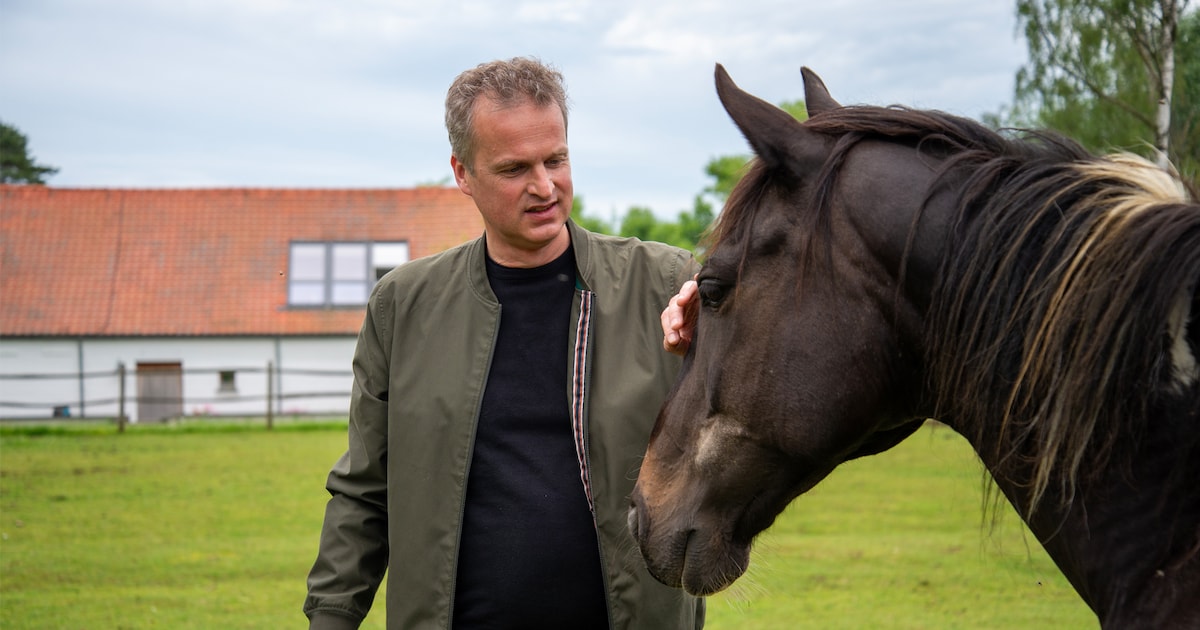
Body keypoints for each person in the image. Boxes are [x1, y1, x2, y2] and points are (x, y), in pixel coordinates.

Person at [303, 57, 705, 630]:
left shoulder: (665, 285)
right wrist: (333, 616)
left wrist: (713, 331)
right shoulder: (402, 306)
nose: (544, 187)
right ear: (462, 173)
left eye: (556, 159)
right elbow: (364, 492)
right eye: (515, 168)